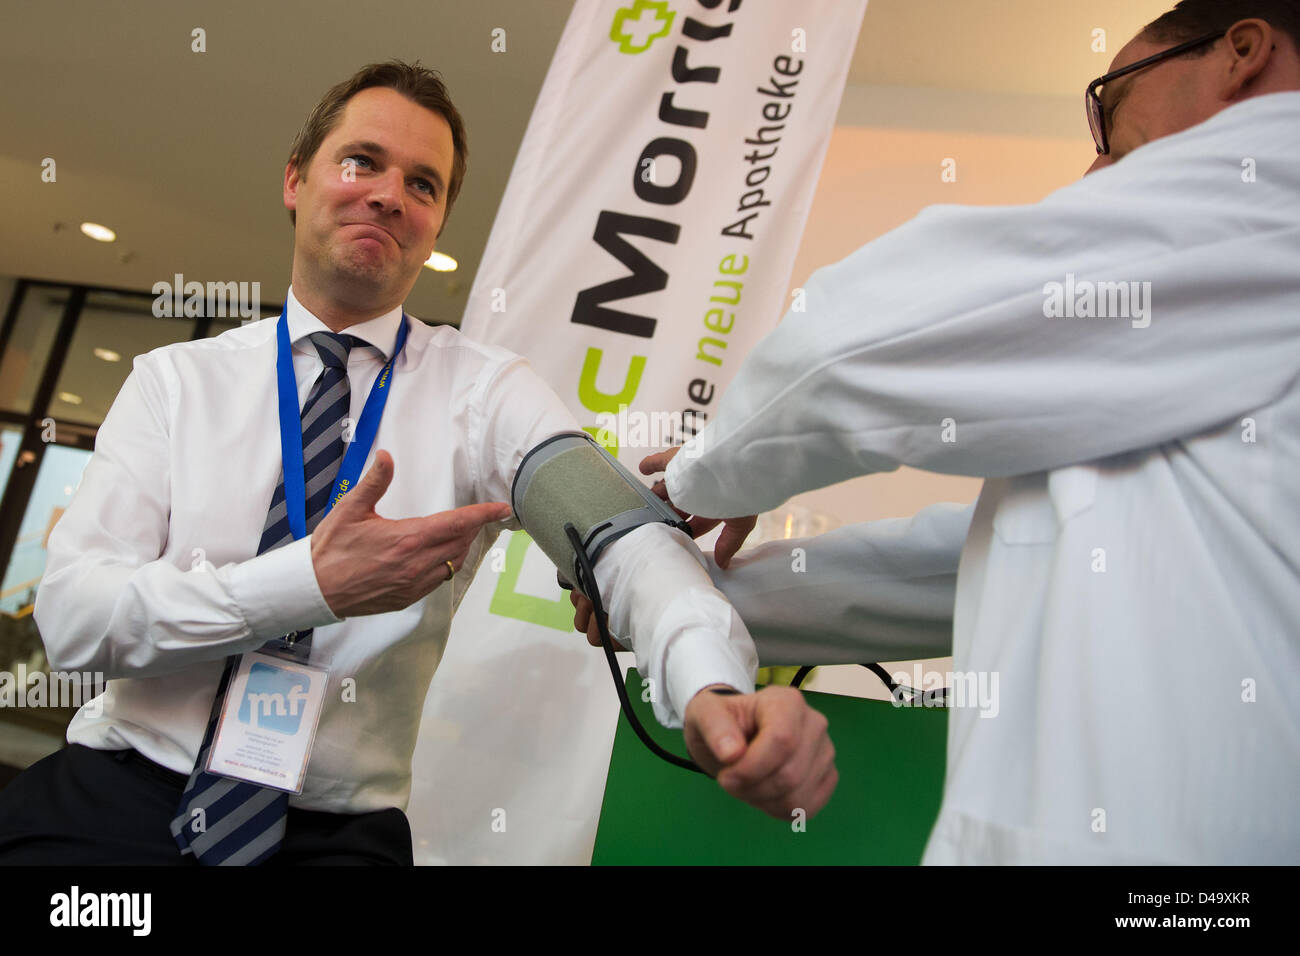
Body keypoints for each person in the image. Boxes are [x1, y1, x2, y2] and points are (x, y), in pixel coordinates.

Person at [0, 60, 835, 866]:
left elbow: (619, 537)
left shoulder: (484, 392)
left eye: (423, 184)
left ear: (436, 224)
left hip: (333, 833)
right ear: (296, 179)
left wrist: (709, 686)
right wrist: (308, 584)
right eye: (361, 160)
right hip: (115, 798)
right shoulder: (175, 385)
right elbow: (75, 619)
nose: (389, 195)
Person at [576, 0, 1300, 863]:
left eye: (1108, 107)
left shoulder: (1270, 178)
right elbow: (998, 558)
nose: (1096, 163)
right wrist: (705, 606)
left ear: (1242, 54)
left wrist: (692, 482)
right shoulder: (1215, 368)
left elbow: (848, 344)